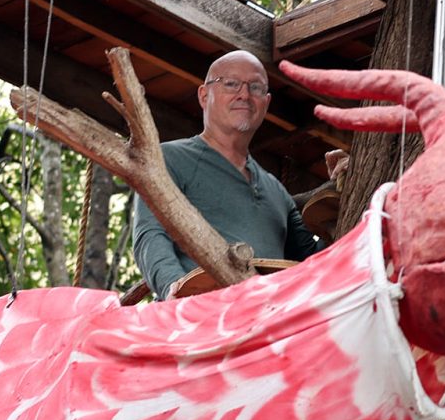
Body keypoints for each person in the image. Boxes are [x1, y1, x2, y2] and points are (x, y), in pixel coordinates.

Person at [130, 51, 340, 300]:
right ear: (204, 95)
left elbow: (313, 263)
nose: (244, 94)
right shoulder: (169, 158)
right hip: (199, 312)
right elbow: (149, 235)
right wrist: (174, 290)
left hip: (269, 315)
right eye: (231, 84)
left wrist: (344, 194)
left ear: (266, 103)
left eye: (255, 87)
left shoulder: (275, 190)